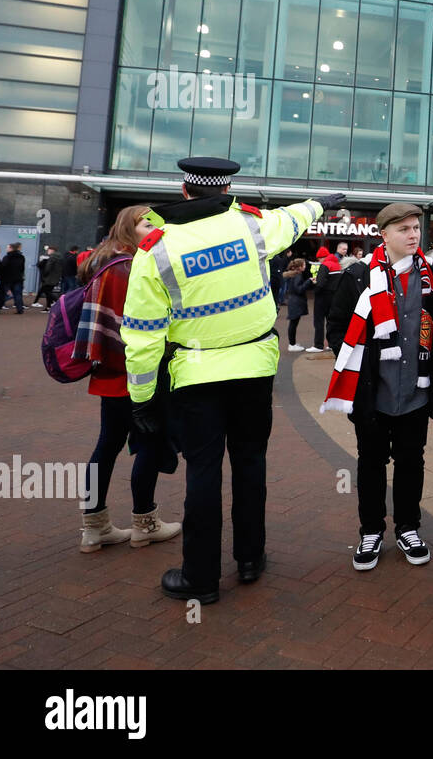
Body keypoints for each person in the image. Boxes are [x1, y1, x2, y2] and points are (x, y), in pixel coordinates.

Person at [121, 157, 339, 603]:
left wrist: (141, 400)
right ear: (226, 192)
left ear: (184, 190)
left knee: (203, 472)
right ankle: (249, 560)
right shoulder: (252, 226)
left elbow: (142, 337)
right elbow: (293, 219)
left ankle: (200, 577)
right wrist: (321, 203)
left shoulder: (156, 249)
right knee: (251, 463)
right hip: (254, 371)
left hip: (196, 378)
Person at [323, 203, 433, 572]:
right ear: (384, 235)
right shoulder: (360, 276)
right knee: (371, 463)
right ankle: (371, 531)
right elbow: (337, 325)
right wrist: (357, 368)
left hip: (415, 391)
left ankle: (409, 528)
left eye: (416, 228)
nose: (414, 235)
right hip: (372, 395)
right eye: (404, 230)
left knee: (412, 462)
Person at [75, 206, 182, 553]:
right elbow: (140, 324)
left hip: (109, 371)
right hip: (136, 373)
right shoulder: (130, 266)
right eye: (146, 222)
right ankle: (145, 523)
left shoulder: (103, 262)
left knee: (107, 445)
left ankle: (94, 527)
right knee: (149, 443)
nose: (154, 227)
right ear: (129, 227)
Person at [307, 245, 341, 352]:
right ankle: (332, 343)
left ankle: (318, 345)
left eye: (319, 258)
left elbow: (320, 284)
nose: (319, 261)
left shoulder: (325, 265)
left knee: (319, 322)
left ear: (322, 257)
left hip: (322, 298)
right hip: (334, 297)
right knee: (331, 321)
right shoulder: (337, 265)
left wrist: (315, 288)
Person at [283, 258, 312, 351]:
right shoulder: (298, 275)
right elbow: (299, 289)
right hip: (296, 302)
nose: (305, 266)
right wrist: (309, 281)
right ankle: (292, 345)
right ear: (299, 267)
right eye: (304, 265)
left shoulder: (292, 274)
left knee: (293, 323)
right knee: (293, 324)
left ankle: (292, 343)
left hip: (293, 301)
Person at [0, 242, 25, 313]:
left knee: (2, 294)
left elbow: (2, 268)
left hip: (7, 279)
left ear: (11, 248)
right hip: (18, 278)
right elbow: (22, 268)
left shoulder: (7, 257)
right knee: (18, 294)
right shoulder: (21, 257)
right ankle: (20, 309)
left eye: (7, 247)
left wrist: (1, 277)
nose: (6, 249)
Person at [34, 245, 63, 309]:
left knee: (47, 292)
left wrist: (44, 274)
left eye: (49, 250)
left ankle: (58, 303)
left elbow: (48, 268)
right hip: (54, 277)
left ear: (52, 250)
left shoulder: (52, 257)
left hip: (49, 278)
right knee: (47, 292)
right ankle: (49, 306)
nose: (48, 251)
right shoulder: (59, 257)